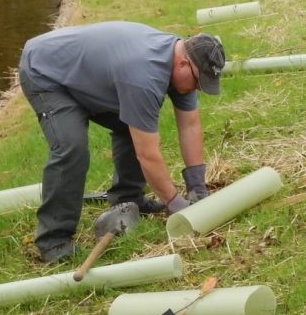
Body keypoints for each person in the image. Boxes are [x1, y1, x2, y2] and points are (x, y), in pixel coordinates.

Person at [18, 22, 225, 264]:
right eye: (198, 83)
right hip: (46, 71)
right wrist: (175, 203)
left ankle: (128, 199)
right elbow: (147, 153)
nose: (196, 89)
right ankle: (53, 240)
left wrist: (197, 185)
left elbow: (190, 126)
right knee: (71, 148)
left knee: (132, 124)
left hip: (87, 73)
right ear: (182, 64)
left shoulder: (186, 59)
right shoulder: (144, 76)